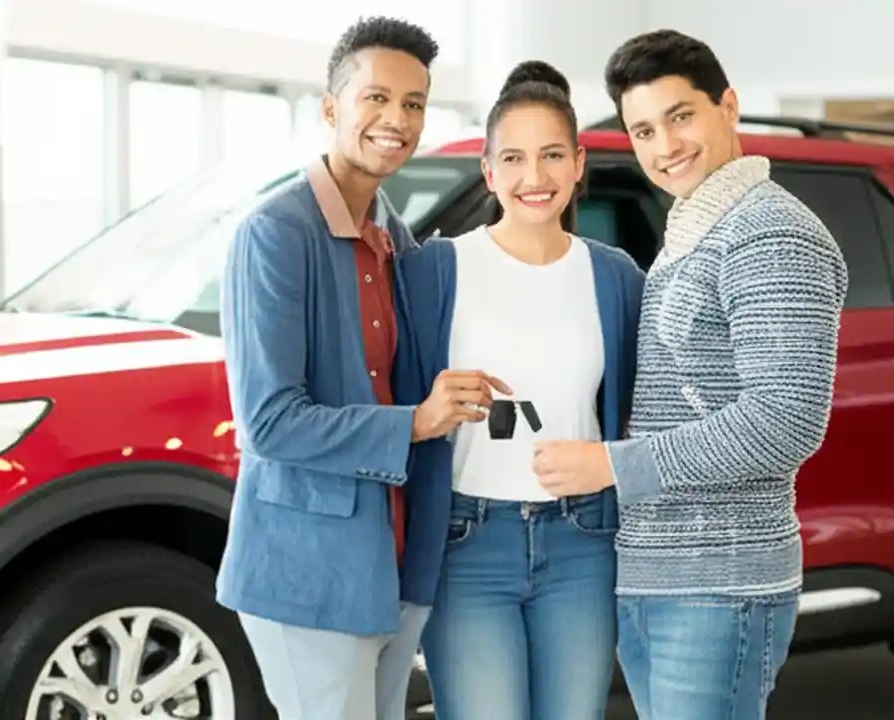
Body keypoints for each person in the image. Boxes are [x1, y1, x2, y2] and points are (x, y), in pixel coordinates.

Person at [531, 29, 849, 719]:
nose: (665, 145)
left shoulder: (769, 232)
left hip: (720, 583)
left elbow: (785, 418)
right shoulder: (696, 229)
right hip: (660, 574)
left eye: (680, 117)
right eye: (643, 130)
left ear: (727, 106)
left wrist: (611, 465)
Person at [215, 16, 496, 720]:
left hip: (390, 561)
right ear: (331, 108)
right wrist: (416, 422)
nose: (396, 119)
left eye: (413, 103)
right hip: (308, 571)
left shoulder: (394, 236)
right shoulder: (276, 234)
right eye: (376, 97)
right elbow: (270, 424)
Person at [412, 61, 645, 720]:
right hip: (467, 542)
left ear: (578, 164)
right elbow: (397, 401)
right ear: (488, 172)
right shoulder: (438, 269)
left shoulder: (615, 277)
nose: (533, 177)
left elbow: (641, 413)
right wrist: (429, 409)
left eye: (551, 155)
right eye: (513, 158)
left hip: (583, 539)